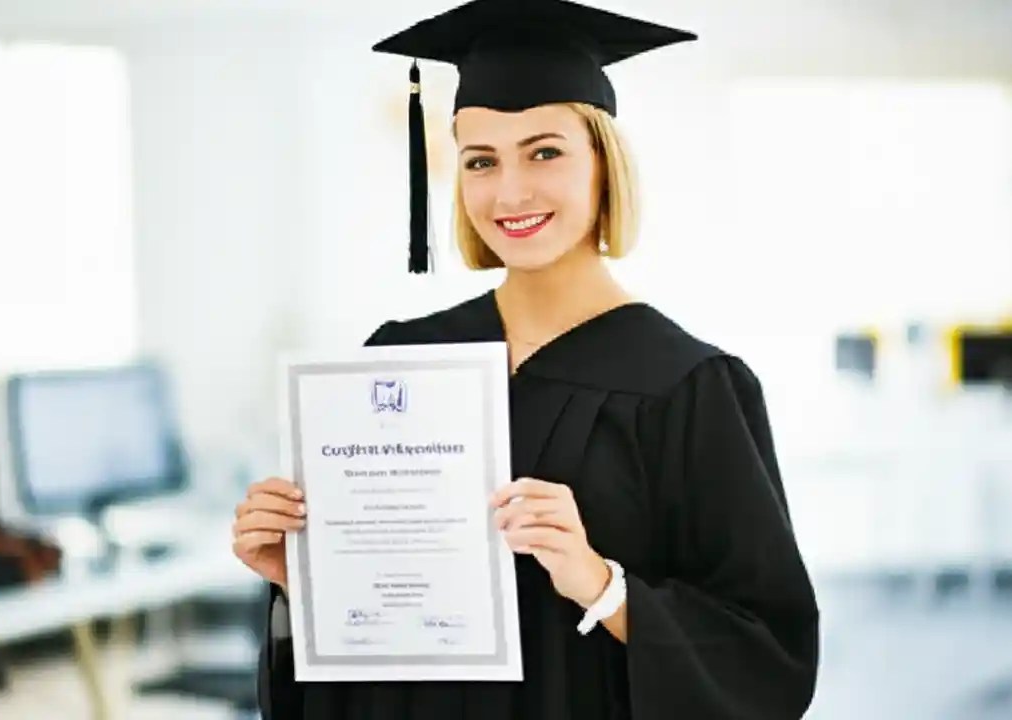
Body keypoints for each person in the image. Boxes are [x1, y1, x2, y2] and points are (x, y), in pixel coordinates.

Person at [231, 0, 820, 717]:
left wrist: (602, 584)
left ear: (604, 163)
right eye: (481, 161)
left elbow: (769, 653)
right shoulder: (403, 358)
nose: (510, 191)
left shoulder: (688, 386)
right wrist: (306, 580)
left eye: (545, 151)